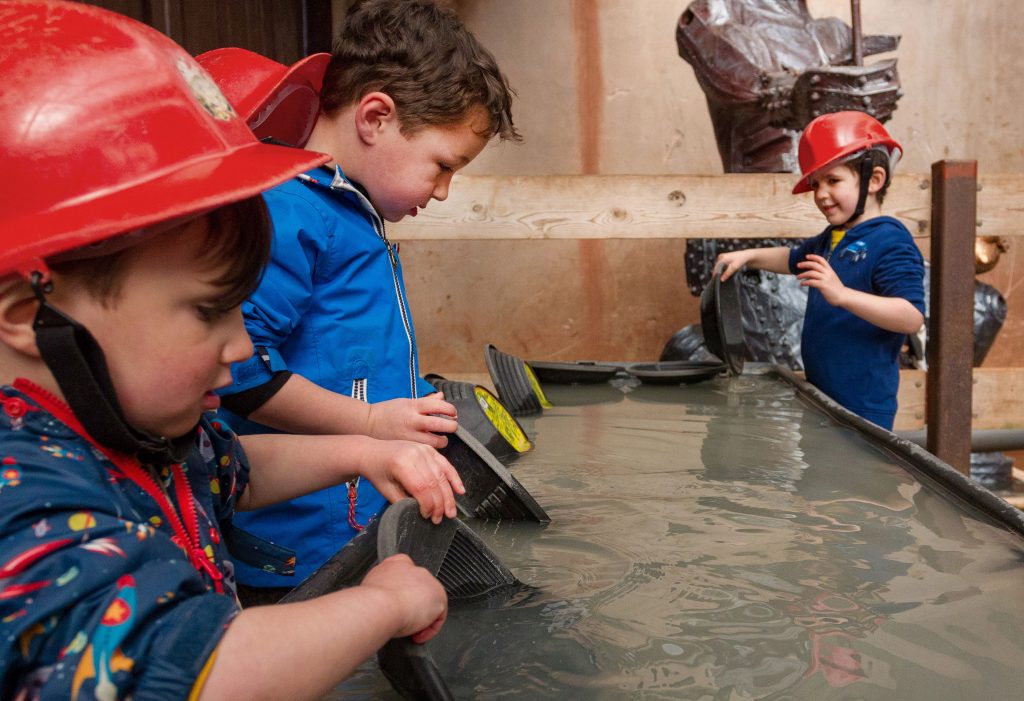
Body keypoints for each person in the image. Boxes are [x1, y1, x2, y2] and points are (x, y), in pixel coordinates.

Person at [0, 3, 464, 699]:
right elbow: (199, 671)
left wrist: (368, 452)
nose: (242, 344)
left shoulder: (128, 429)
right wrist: (385, 603)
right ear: (27, 310)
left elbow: (229, 467)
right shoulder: (22, 498)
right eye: (209, 310)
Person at [197, 0, 521, 596]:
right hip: (299, 541)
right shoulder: (290, 210)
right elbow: (241, 372)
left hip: (352, 516)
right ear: (375, 118)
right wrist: (372, 421)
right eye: (443, 165)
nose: (445, 191)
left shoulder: (349, 211)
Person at [716, 111, 925, 430]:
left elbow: (911, 315)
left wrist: (842, 295)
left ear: (875, 179)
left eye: (833, 180)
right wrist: (747, 257)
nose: (821, 194)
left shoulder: (890, 240)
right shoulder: (832, 238)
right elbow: (790, 259)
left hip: (863, 408)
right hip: (822, 397)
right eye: (815, 184)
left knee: (856, 480)